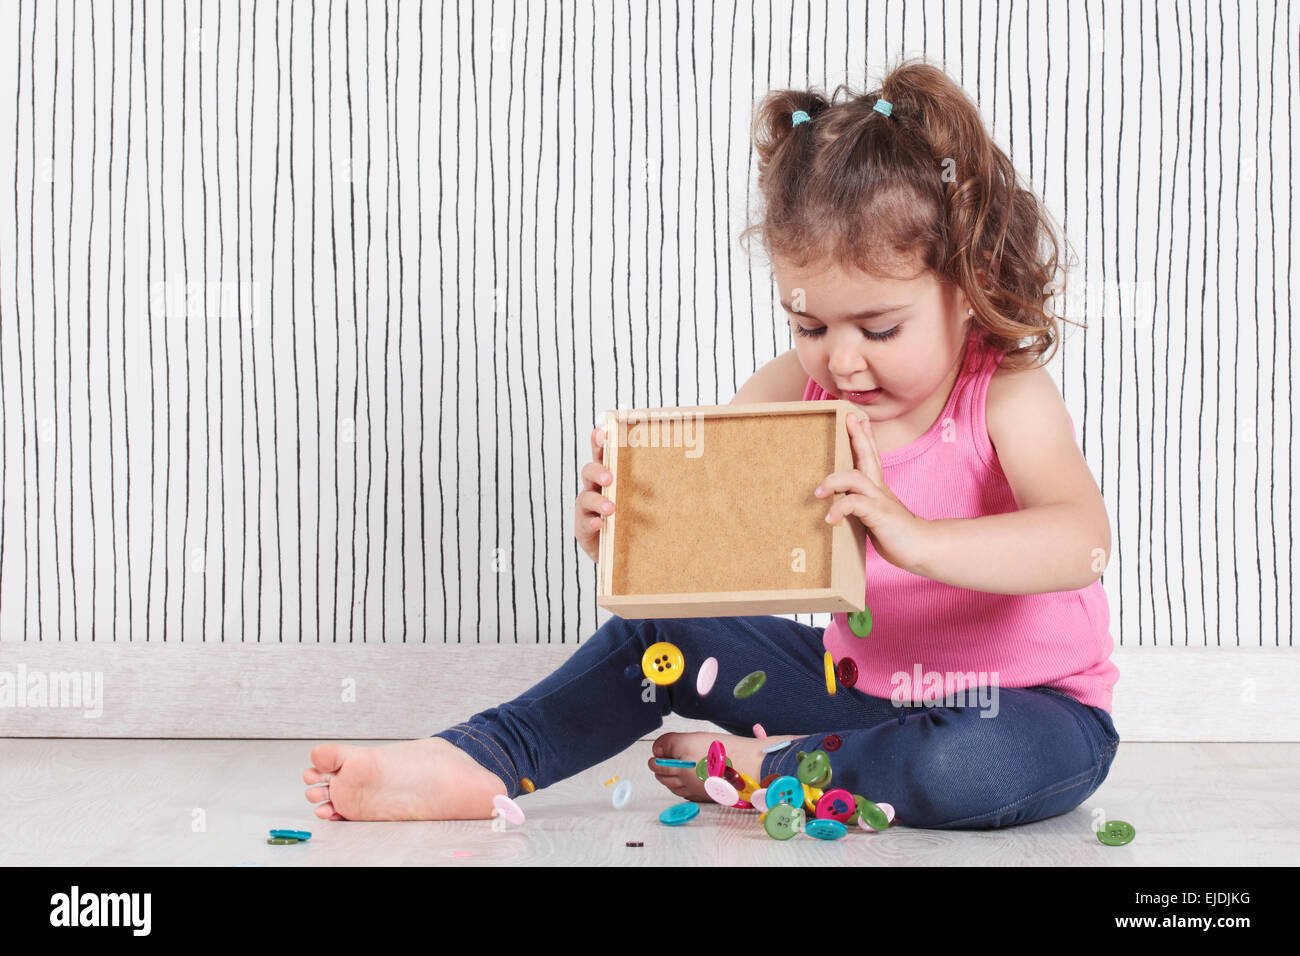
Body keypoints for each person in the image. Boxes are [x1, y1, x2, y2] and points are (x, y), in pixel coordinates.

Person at [303, 57, 1119, 829]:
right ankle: (481, 760)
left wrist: (915, 539)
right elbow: (721, 540)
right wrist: (629, 534)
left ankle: (773, 768)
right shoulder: (798, 393)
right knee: (661, 636)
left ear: (969, 286)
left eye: (880, 327)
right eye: (809, 324)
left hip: (1025, 707)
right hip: (857, 694)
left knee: (968, 766)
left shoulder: (1004, 394)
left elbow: (1080, 542)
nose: (840, 359)